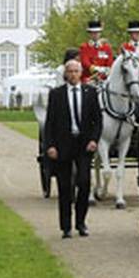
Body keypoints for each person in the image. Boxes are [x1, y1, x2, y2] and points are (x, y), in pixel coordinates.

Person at [44, 60, 102, 238]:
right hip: (63, 145)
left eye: (76, 71)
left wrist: (94, 139)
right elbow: (50, 123)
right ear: (65, 74)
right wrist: (50, 145)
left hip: (83, 144)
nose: (73, 74)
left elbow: (97, 120)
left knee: (84, 183)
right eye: (70, 71)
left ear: (81, 73)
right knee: (64, 187)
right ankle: (66, 226)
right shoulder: (56, 94)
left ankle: (81, 222)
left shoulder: (90, 93)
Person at [78, 19, 115, 84]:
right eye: (93, 33)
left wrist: (106, 69)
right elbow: (85, 62)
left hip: (104, 79)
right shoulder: (84, 47)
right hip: (89, 79)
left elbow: (110, 61)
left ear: (100, 33)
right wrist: (95, 68)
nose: (95, 34)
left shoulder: (106, 47)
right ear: (90, 34)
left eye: (97, 32)